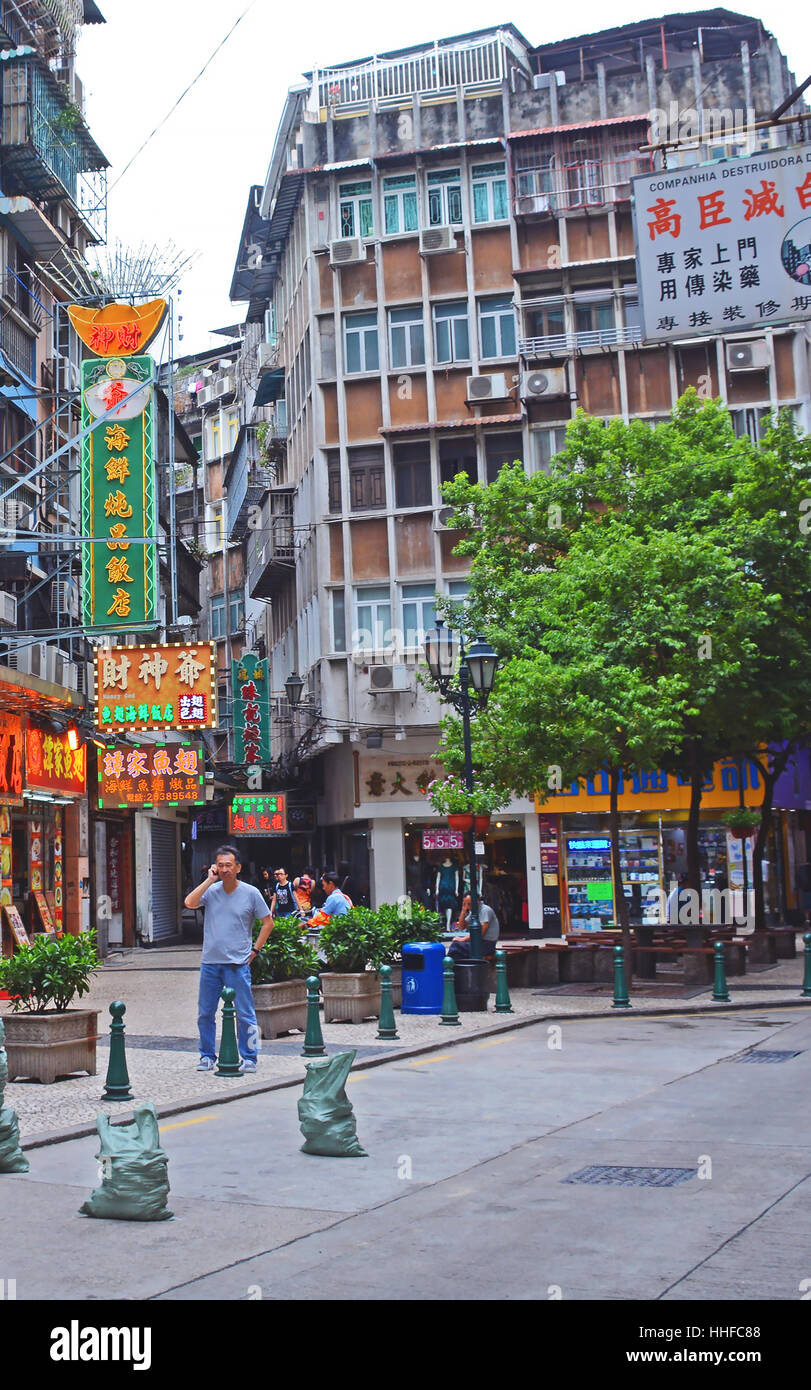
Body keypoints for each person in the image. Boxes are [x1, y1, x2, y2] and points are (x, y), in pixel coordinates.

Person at [184, 845, 273, 1074]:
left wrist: (255, 950)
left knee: (246, 1013)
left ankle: (251, 1057)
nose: (224, 869)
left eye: (228, 865)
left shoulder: (251, 893)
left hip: (238, 964)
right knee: (205, 1012)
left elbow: (267, 923)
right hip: (211, 963)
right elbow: (190, 903)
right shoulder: (211, 892)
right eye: (220, 865)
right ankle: (206, 1056)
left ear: (238, 868)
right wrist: (208, 880)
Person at [448, 893, 499, 961]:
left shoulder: (485, 910)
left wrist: (463, 939)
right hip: (479, 943)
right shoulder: (473, 912)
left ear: (477, 901)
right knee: (457, 952)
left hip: (487, 944)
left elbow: (480, 933)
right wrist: (463, 911)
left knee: (456, 946)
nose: (469, 907)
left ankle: (446, 967)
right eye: (466, 904)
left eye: (469, 904)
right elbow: (461, 927)